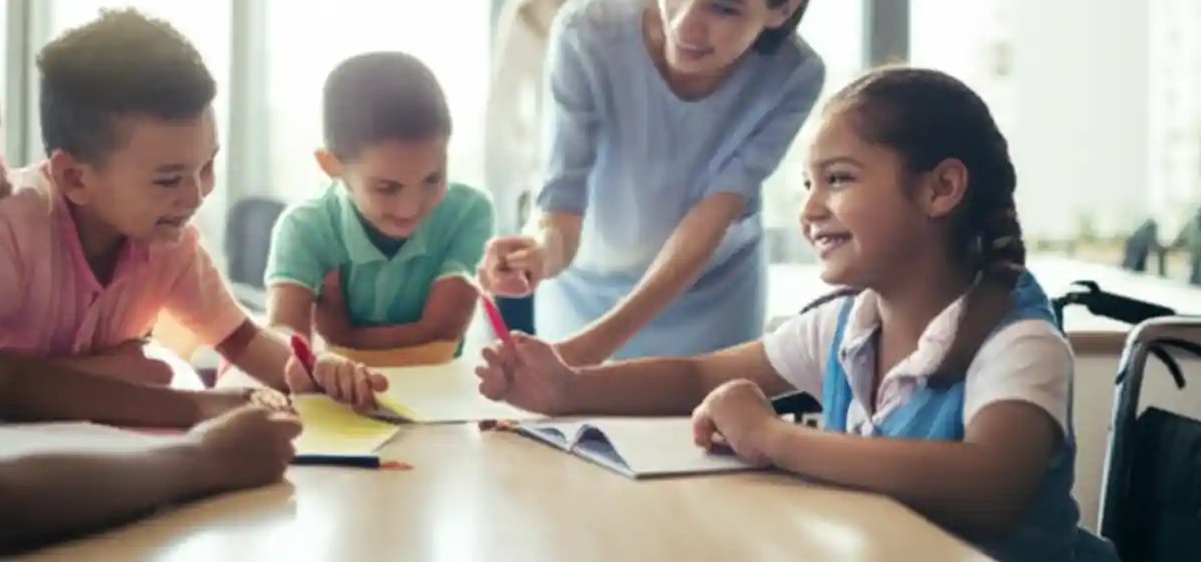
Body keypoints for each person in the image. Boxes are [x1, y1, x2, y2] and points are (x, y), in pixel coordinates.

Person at [477, 67, 1118, 561]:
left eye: (837, 179)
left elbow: (990, 486)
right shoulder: (847, 323)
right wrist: (569, 387)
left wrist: (778, 439)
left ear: (941, 189)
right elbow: (700, 377)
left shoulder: (1017, 339)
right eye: (808, 185)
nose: (810, 210)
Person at [0, 0, 302, 556]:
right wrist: (206, 458)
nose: (4, 183)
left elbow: (6, 384)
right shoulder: (20, 224)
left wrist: (196, 409)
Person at [0, 9, 380, 427]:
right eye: (168, 180)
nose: (196, 194)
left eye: (206, 166)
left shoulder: (168, 241)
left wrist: (317, 370)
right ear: (74, 178)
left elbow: (242, 339)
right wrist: (119, 373)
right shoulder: (0, 229)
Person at [478, 0, 824, 363]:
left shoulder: (793, 77)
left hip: (710, 301)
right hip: (584, 292)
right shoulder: (588, 33)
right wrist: (537, 255)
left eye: (723, 8)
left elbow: (710, 219)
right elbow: (562, 197)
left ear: (782, 10)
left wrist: (588, 350)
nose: (684, 25)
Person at [265, 52, 493, 364]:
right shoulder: (304, 227)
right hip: (339, 400)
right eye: (386, 188)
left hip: (442, 403)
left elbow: (441, 334)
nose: (409, 208)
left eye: (432, 178)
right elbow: (285, 342)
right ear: (331, 165)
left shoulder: (469, 213)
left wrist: (343, 339)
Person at [485, 0, 626, 336]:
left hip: (610, 186)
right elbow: (504, 106)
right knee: (530, 297)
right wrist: (515, 183)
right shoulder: (534, 9)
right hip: (544, 179)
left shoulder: (616, 9)